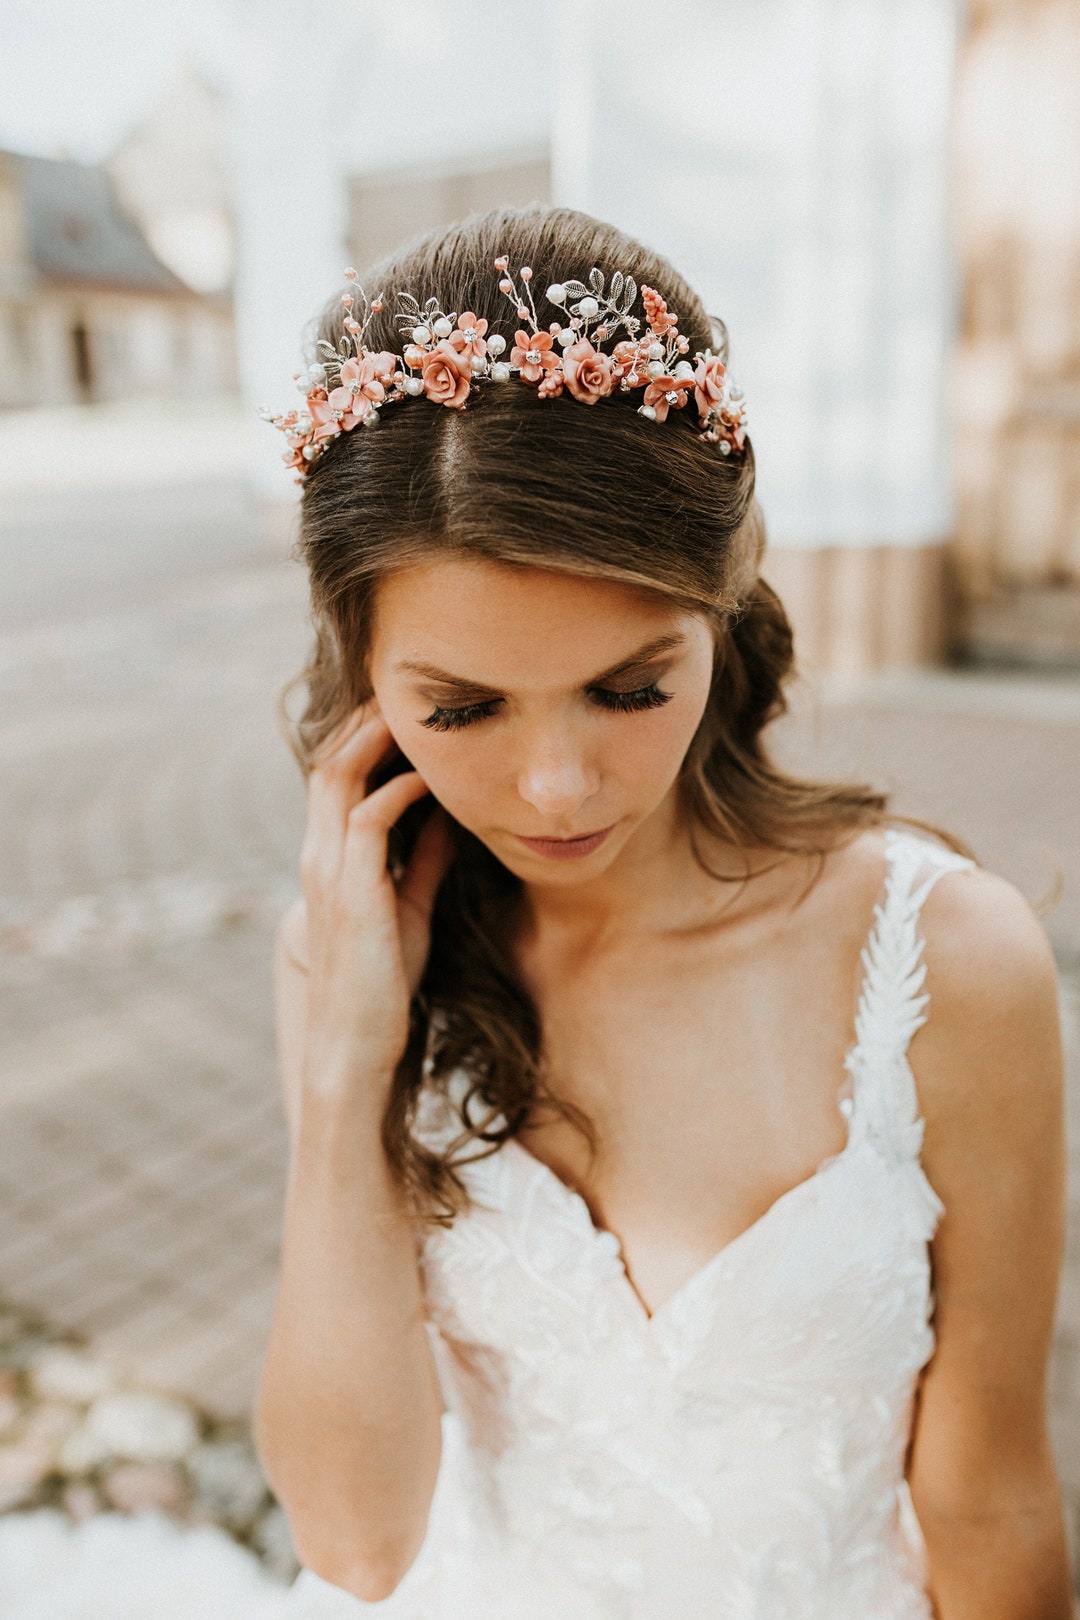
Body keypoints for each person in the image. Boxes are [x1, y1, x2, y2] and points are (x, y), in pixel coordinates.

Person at [255, 204, 1073, 1619]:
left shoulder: (949, 960)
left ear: (724, 603)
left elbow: (991, 1491)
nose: (559, 784)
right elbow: (355, 1539)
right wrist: (346, 1069)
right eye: (459, 709)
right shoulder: (348, 965)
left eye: (632, 688)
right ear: (365, 686)